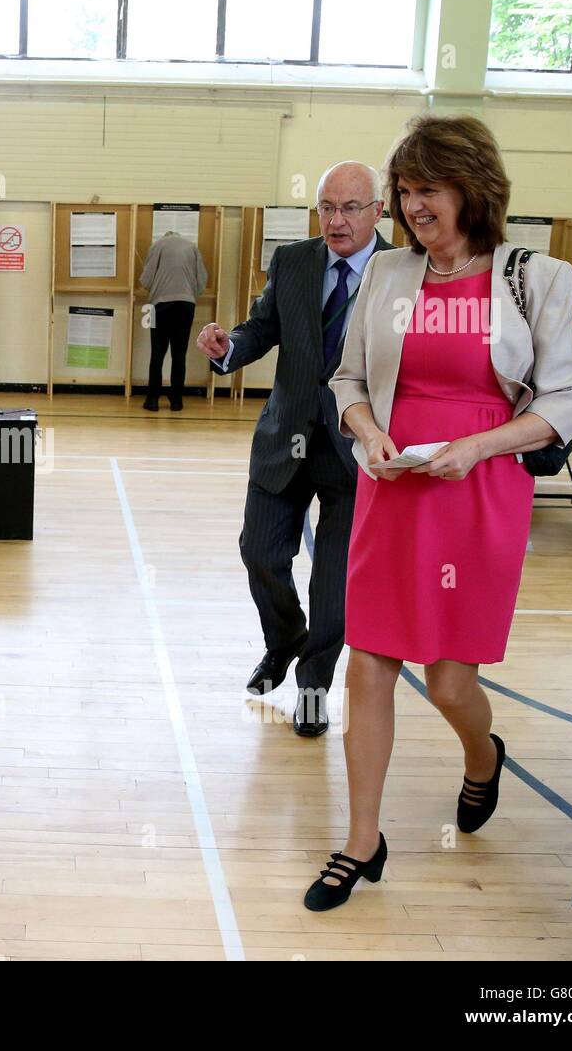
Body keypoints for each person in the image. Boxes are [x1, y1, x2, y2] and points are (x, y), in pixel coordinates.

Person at [308, 114, 572, 912]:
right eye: (404, 192)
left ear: (473, 189)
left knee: (448, 678)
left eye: (426, 189)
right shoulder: (389, 275)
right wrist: (368, 434)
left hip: (478, 490)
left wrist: (476, 448)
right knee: (369, 661)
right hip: (394, 488)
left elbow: (571, 397)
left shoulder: (536, 277)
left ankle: (481, 756)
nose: (412, 206)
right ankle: (362, 841)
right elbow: (347, 380)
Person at [196, 162, 393, 736]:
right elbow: (262, 329)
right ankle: (283, 642)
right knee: (260, 553)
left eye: (350, 208)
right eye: (326, 207)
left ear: (378, 211)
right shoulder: (293, 262)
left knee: (334, 579)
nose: (336, 220)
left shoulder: (402, 275)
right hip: (286, 437)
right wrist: (228, 345)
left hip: (358, 449)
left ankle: (313, 685)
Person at [140, 231, 208, 411]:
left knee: (157, 353)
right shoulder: (192, 246)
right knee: (179, 354)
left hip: (160, 305)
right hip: (186, 305)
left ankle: (152, 400)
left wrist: (155, 287)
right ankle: (177, 400)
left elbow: (146, 279)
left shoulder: (157, 245)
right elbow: (202, 280)